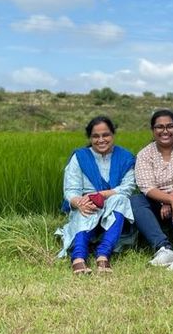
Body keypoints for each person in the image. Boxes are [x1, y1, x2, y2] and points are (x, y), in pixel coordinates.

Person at [56, 116, 136, 274]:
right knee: (86, 204)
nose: (101, 140)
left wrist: (101, 195)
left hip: (113, 205)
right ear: (90, 138)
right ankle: (78, 257)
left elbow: (128, 186)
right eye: (95, 136)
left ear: (113, 135)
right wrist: (79, 202)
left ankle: (103, 255)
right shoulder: (80, 157)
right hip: (86, 208)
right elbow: (71, 190)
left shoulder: (125, 157)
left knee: (120, 199)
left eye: (105, 135)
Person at [130, 109, 173, 271]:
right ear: (153, 130)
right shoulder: (145, 154)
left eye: (170, 126)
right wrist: (169, 200)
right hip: (157, 202)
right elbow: (146, 186)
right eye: (160, 127)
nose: (165, 131)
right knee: (135, 200)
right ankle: (164, 248)